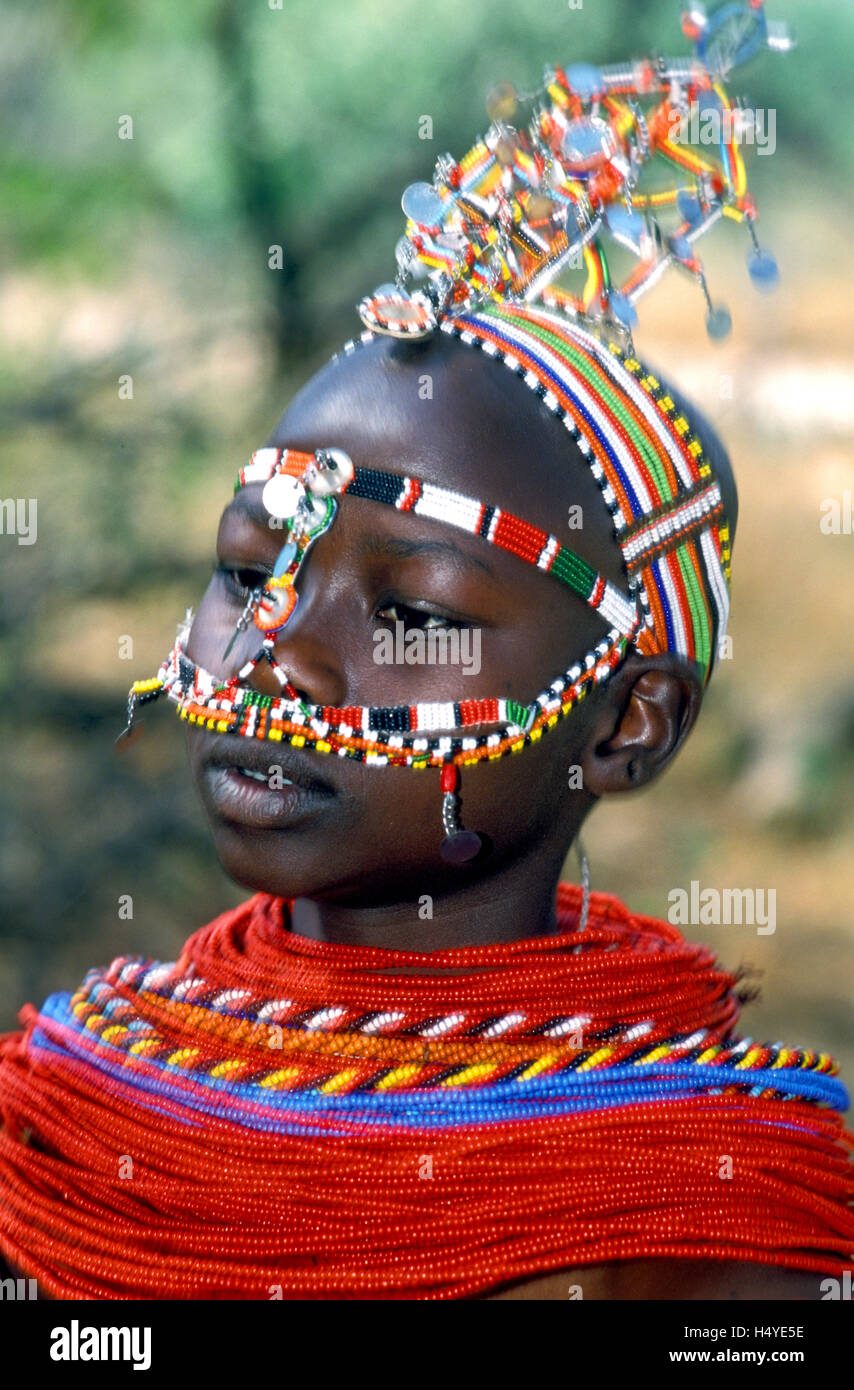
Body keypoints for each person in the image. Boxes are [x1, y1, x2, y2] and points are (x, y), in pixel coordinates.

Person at [1, 8, 852, 1300]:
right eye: (247, 566)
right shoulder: (61, 1110)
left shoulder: (710, 1221)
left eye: (416, 615)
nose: (274, 648)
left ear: (629, 722)